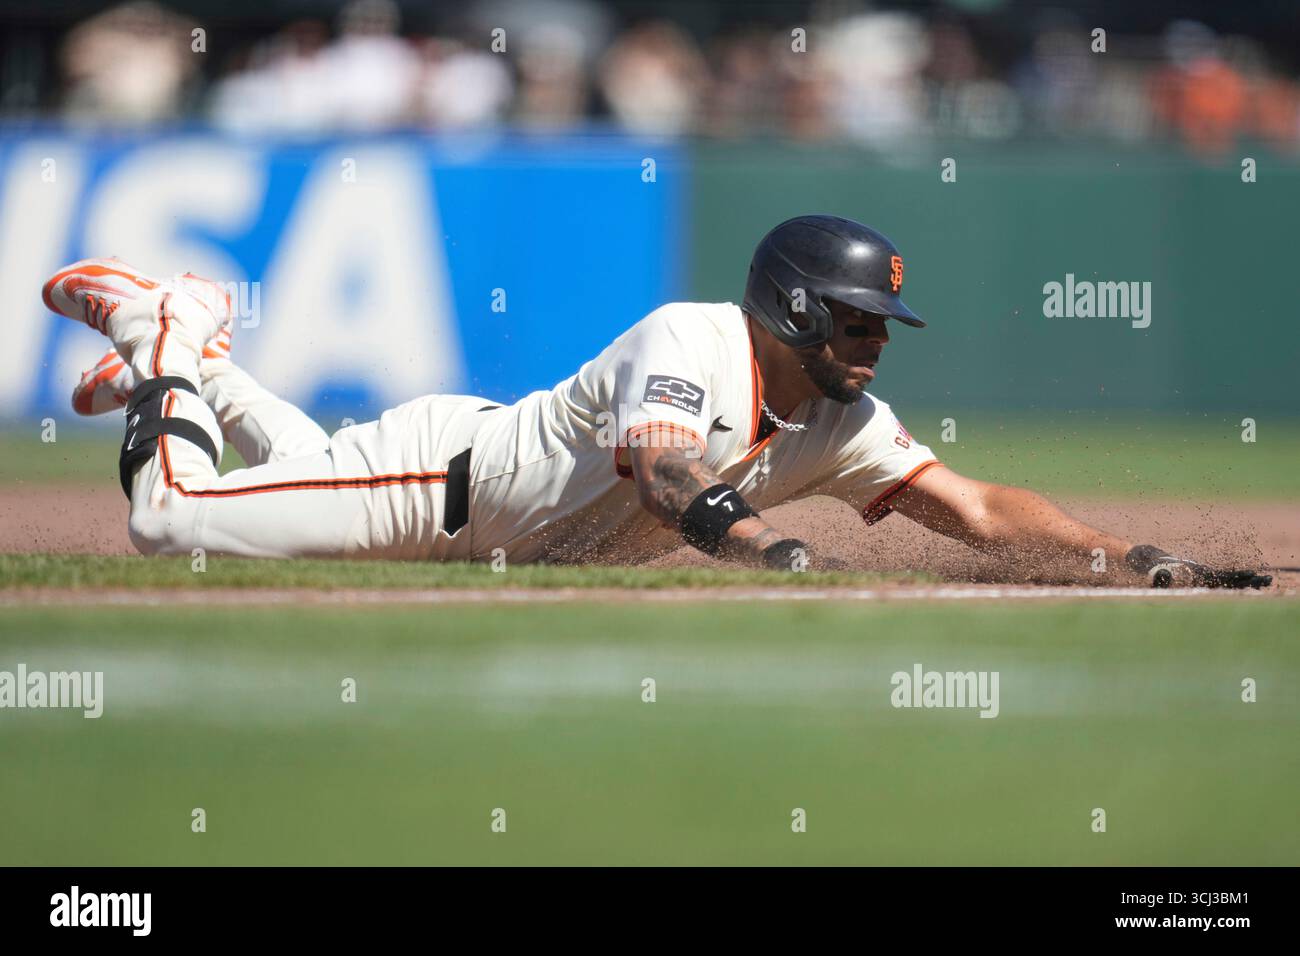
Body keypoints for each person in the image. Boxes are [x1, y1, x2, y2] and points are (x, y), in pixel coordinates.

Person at [44, 215, 1270, 587]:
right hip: (435, 483)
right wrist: (764, 546)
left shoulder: (837, 421)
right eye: (854, 321)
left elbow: (984, 509)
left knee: (293, 469)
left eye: (880, 326)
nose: (872, 344)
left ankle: (205, 367)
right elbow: (664, 469)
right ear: (791, 311)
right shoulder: (691, 335)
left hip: (481, 524)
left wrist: (1129, 557)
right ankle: (169, 336)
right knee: (173, 521)